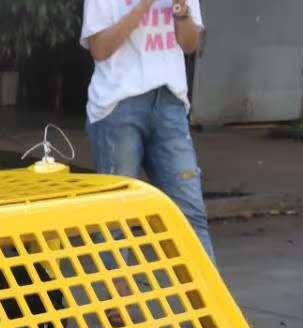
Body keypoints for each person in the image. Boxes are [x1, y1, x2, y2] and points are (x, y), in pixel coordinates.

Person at [81, 0, 214, 259]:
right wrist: (143, 6)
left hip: (170, 102)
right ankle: (117, 289)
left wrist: (181, 10)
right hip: (118, 106)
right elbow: (99, 49)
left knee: (190, 214)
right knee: (116, 224)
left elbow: (190, 45)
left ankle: (207, 288)